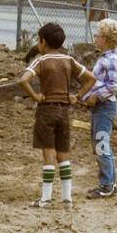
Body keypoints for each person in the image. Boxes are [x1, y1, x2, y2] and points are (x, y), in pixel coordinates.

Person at [18, 22, 96, 208]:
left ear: (43, 42)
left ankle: (45, 198)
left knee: (49, 156)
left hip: (46, 111)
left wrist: (36, 96)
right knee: (63, 156)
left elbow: (23, 80)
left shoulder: (42, 60)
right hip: (64, 111)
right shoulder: (68, 60)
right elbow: (91, 78)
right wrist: (77, 96)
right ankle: (67, 198)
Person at [81, 18, 117, 199]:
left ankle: (107, 185)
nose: (95, 38)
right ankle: (108, 182)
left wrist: (96, 96)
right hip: (100, 107)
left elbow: (115, 85)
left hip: (105, 107)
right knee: (99, 143)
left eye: (97, 35)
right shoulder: (105, 58)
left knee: (102, 144)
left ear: (105, 39)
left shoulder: (111, 59)